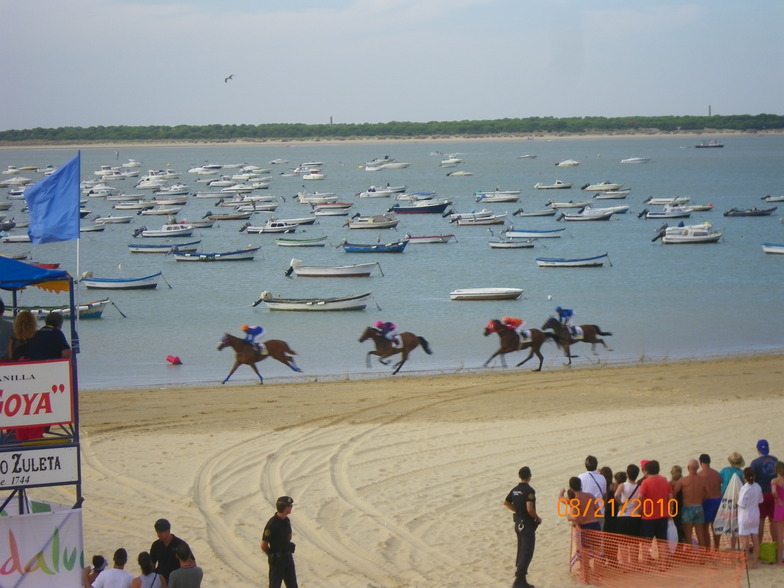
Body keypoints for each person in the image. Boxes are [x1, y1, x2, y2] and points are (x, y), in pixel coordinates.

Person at [504, 466, 541, 588]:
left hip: (518, 522)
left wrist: (518, 511)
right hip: (527, 524)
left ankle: (522, 580)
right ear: (530, 476)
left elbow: (506, 502)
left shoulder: (515, 490)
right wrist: (537, 518)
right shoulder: (529, 491)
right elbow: (530, 509)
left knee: (521, 550)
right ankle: (518, 580)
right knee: (527, 552)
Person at [559, 477, 599, 584]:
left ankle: (586, 577)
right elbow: (597, 510)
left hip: (585, 528)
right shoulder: (590, 496)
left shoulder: (573, 500)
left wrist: (569, 518)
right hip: (595, 525)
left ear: (571, 487)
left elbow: (578, 518)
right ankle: (598, 574)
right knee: (597, 551)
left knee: (584, 553)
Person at [260, 495, 299, 588]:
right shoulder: (272, 524)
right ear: (284, 508)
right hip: (277, 561)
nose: (291, 507)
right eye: (290, 506)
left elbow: (288, 536)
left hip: (288, 557)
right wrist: (272, 554)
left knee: (293, 585)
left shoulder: (286, 520)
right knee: (275, 585)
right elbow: (264, 545)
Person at [673, 459, 709, 548]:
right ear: (698, 468)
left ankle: (690, 556)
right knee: (700, 534)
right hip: (699, 508)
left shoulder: (683, 481)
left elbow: (674, 494)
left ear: (688, 468)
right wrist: (700, 498)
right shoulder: (703, 481)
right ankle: (702, 557)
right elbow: (708, 494)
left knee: (688, 535)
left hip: (687, 509)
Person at [637, 460, 673, 544]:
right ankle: (663, 557)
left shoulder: (645, 482)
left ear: (647, 471)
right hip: (663, 516)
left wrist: (640, 510)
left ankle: (647, 557)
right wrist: (669, 512)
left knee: (647, 543)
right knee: (662, 542)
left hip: (648, 517)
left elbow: (639, 497)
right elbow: (671, 497)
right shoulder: (664, 480)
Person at [751, 439, 778, 544]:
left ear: (758, 449)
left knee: (760, 521)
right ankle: (776, 545)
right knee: (773, 521)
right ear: (768, 448)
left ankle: (759, 546)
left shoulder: (755, 463)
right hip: (774, 493)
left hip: (761, 495)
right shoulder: (775, 460)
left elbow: (751, 480)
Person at [150, 519, 193, 583]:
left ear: (168, 531)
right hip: (160, 582)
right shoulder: (156, 545)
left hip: (177, 581)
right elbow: (152, 566)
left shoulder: (180, 545)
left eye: (160, 532)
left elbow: (192, 563)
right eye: (157, 532)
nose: (158, 534)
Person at [738, 467, 763, 568]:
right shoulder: (758, 487)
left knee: (745, 540)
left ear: (744, 477)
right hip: (755, 514)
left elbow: (741, 504)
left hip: (745, 515)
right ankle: (755, 562)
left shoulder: (745, 488)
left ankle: (745, 562)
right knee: (755, 539)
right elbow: (760, 500)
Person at [697, 453, 723, 550]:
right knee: (716, 527)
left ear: (701, 463)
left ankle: (707, 549)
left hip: (707, 501)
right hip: (718, 500)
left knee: (705, 528)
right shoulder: (717, 474)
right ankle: (716, 548)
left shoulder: (700, 475)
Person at [578, 455, 607, 526]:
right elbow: (604, 493)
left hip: (585, 512)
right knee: (600, 535)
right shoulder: (602, 477)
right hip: (599, 510)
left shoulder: (580, 477)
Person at [771, 461, 784, 566]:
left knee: (780, 536)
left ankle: (780, 560)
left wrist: (778, 499)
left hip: (780, 508)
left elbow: (774, 491)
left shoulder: (775, 480)